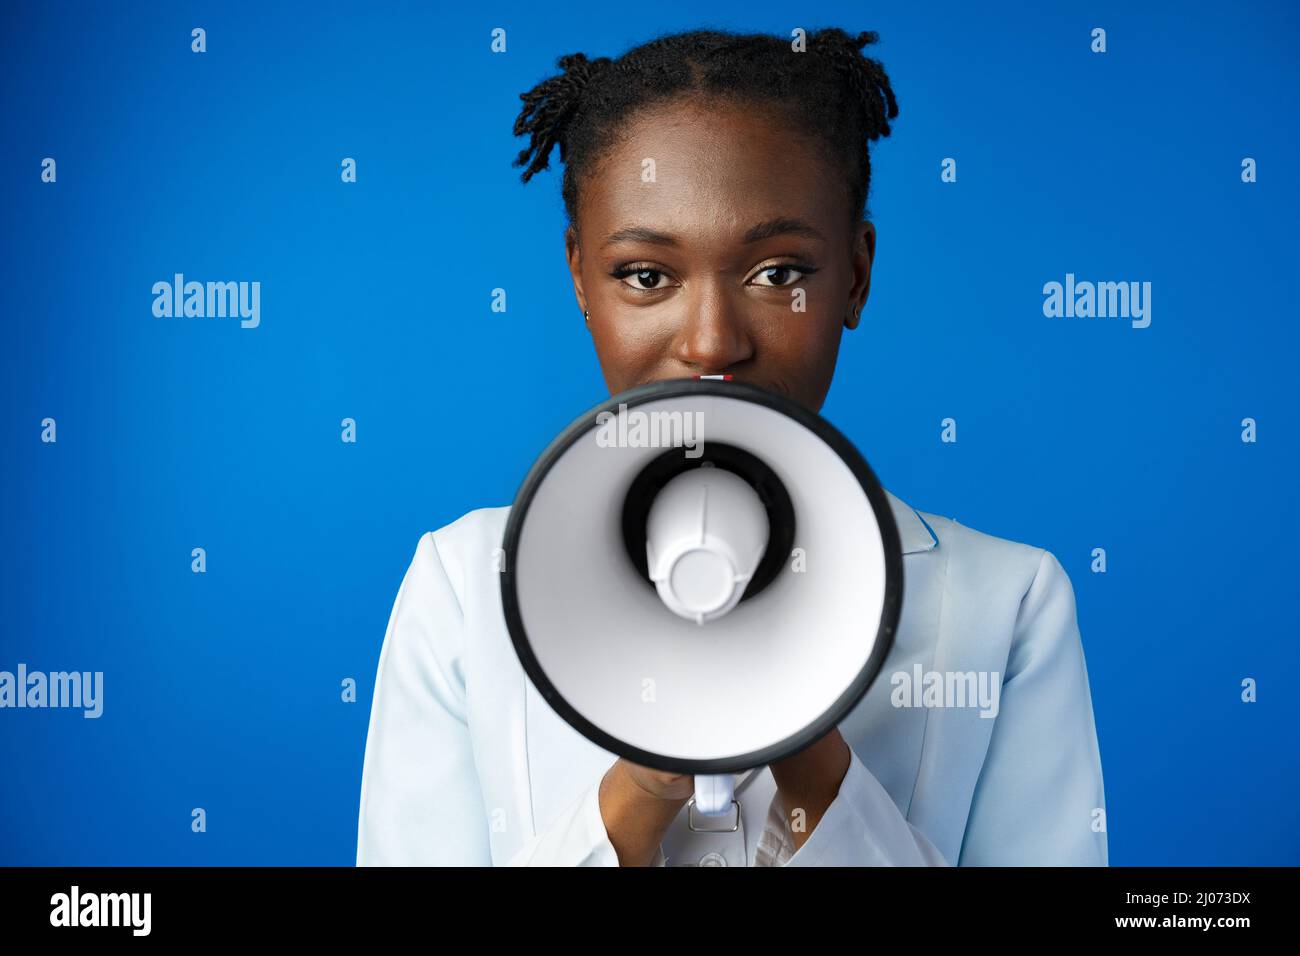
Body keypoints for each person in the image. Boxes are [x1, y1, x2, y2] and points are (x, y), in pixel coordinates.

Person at [355, 26, 1107, 867]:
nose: (712, 344)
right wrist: (641, 787)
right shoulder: (463, 591)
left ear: (855, 274)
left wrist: (810, 757)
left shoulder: (1006, 604)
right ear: (579, 274)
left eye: (778, 273)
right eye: (646, 275)